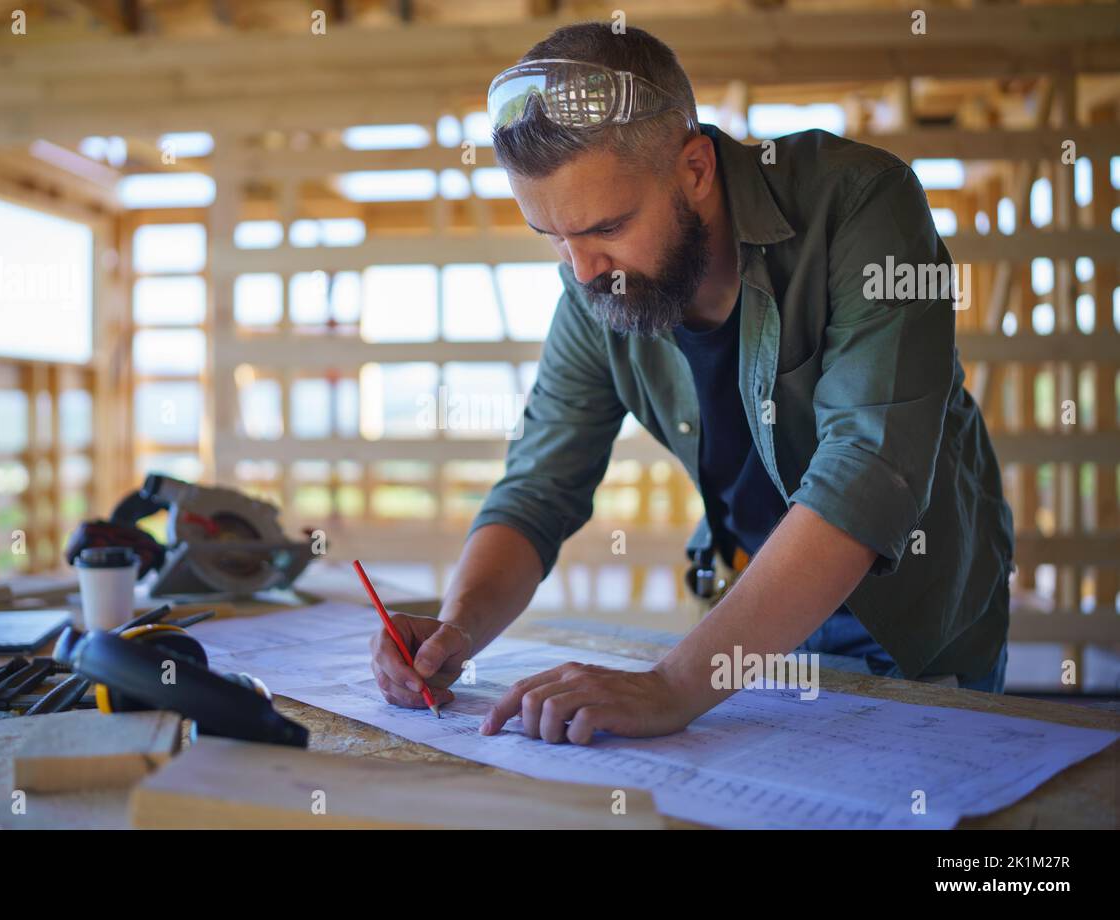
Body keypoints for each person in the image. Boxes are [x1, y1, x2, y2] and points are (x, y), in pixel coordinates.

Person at [368, 22, 1014, 745]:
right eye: (552, 237)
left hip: (915, 624)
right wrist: (456, 630)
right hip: (747, 615)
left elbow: (868, 471)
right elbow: (535, 491)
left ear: (696, 170)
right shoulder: (595, 287)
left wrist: (675, 685)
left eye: (606, 226)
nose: (582, 270)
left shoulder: (862, 204)